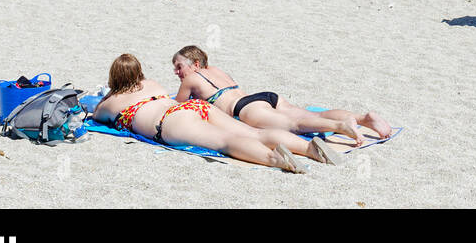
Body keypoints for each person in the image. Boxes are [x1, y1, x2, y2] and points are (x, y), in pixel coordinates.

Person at [92, 54, 338, 170]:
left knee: (226, 142)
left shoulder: (111, 102)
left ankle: (276, 160)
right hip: (192, 107)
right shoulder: (152, 84)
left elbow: (96, 117)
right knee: (252, 132)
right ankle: (309, 149)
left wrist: (108, 93)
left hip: (169, 123)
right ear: (139, 73)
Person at [171, 46, 390, 143]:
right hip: (266, 97)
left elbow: (176, 107)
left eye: (179, 67)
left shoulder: (192, 79)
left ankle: (341, 127)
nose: (177, 72)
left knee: (295, 126)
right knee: (307, 114)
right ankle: (363, 118)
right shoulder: (216, 70)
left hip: (245, 109)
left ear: (196, 64)